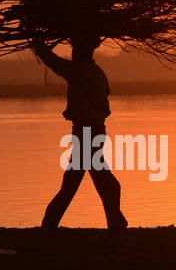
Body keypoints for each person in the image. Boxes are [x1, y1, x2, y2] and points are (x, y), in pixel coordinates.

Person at [31, 33, 129, 230]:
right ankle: (115, 222)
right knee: (96, 180)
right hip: (95, 131)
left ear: (78, 51)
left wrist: (37, 43)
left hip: (86, 132)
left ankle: (49, 225)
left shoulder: (79, 70)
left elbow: (53, 61)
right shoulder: (97, 72)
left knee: (75, 183)